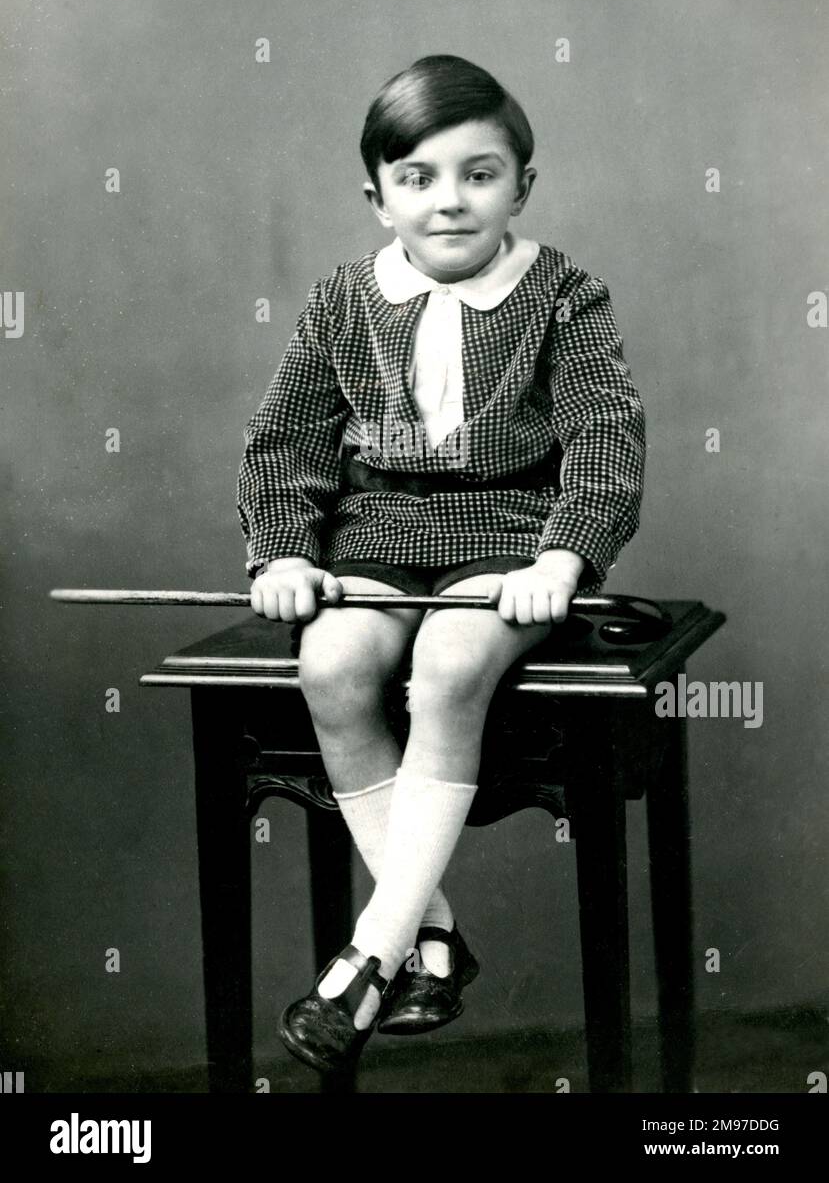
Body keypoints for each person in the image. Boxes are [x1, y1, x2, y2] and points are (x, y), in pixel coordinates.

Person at [236, 53, 646, 1073]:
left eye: (479, 173)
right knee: (329, 664)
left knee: (455, 669)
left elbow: (605, 436)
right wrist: (283, 551)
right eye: (417, 178)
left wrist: (564, 552)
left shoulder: (563, 294)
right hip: (374, 536)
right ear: (376, 198)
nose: (449, 200)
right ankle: (431, 939)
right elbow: (284, 443)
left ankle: (371, 955)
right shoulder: (340, 300)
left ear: (522, 185)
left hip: (506, 540)